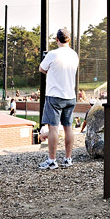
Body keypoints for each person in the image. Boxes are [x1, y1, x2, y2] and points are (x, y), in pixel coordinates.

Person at [38, 27, 79, 170]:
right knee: (68, 128)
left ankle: (52, 160)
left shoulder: (52, 54)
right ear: (69, 39)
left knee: (53, 128)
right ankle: (68, 159)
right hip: (70, 95)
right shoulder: (74, 55)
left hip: (55, 95)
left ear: (57, 39)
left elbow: (41, 69)